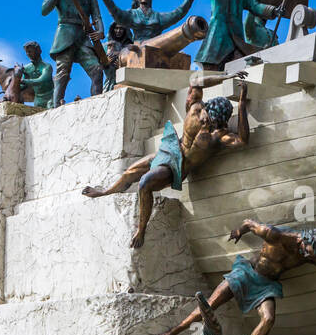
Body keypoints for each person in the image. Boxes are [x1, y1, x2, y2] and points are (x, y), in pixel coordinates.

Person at [80, 72, 250, 248]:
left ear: (221, 122)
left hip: (179, 167)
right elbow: (195, 80)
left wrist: (242, 103)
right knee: (131, 171)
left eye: (213, 123)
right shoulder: (194, 107)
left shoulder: (219, 136)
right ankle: (106, 191)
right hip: (172, 149)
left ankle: (141, 229)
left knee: (145, 183)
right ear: (206, 108)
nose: (208, 123)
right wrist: (226, 75)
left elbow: (243, 140)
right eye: (207, 118)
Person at [153, 218, 316, 335]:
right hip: (247, 273)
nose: (308, 257)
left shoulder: (310, 253)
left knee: (269, 319)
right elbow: (249, 223)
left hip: (267, 285)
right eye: (307, 252)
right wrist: (238, 231)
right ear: (303, 240)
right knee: (211, 303)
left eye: (312, 256)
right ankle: (173, 332)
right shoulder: (274, 235)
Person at [41, 0, 104, 104]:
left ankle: (97, 103)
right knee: (62, 74)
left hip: (83, 37)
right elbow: (44, 10)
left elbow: (96, 16)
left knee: (97, 71)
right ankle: (56, 106)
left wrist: (100, 31)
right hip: (65, 34)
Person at [94, 0, 198, 44]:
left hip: (157, 45)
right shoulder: (132, 14)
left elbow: (178, 13)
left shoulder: (158, 16)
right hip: (138, 47)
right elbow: (115, 11)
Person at [17, 41, 54, 108]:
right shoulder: (26, 68)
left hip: (50, 97)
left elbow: (41, 80)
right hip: (38, 100)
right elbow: (22, 86)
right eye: (26, 52)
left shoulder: (47, 67)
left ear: (38, 51)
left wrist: (24, 81)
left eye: (30, 51)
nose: (28, 54)